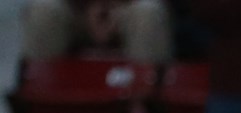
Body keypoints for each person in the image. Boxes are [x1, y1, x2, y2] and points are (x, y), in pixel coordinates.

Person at [20, 0, 170, 61]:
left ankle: (144, 103)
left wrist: (110, 7)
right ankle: (39, 100)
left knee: (148, 13)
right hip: (77, 9)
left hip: (127, 8)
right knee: (44, 10)